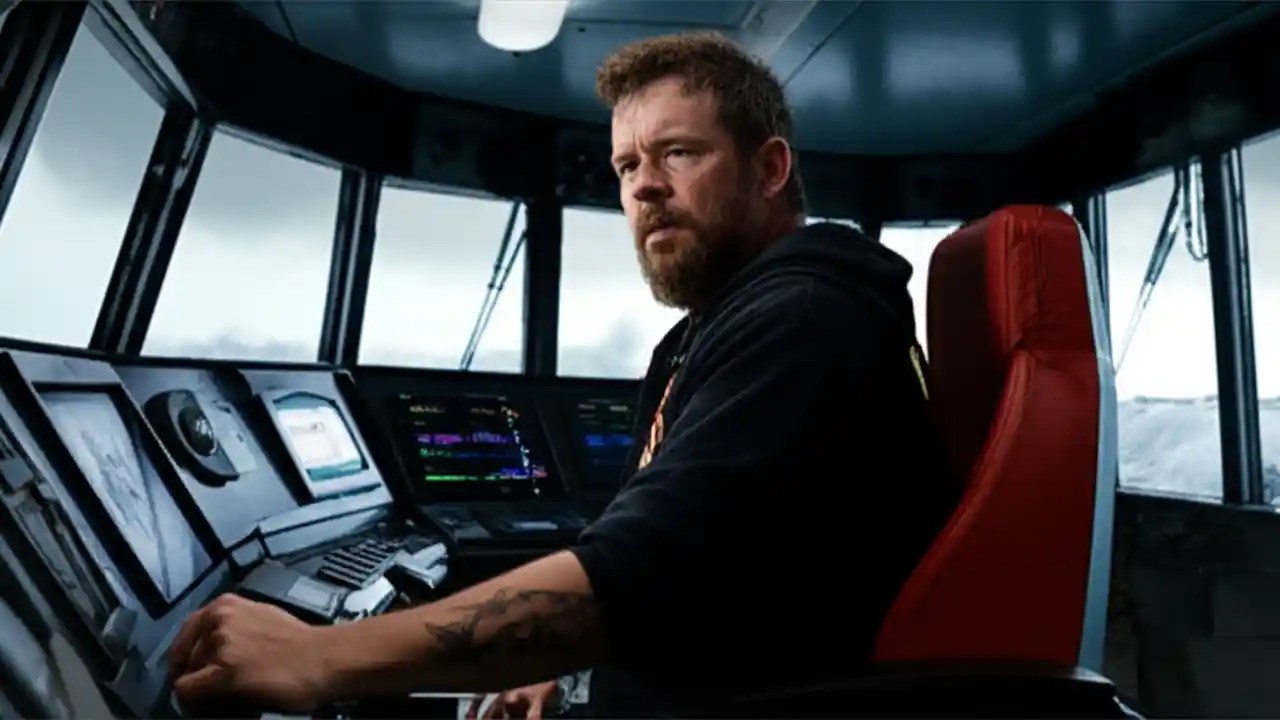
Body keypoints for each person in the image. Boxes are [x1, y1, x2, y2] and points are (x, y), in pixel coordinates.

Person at [167, 31, 957, 718]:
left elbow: (630, 581)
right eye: (626, 165)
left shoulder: (805, 324)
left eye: (680, 152)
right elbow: (669, 567)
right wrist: (562, 666)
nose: (645, 186)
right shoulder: (702, 337)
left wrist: (315, 659)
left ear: (771, 168)